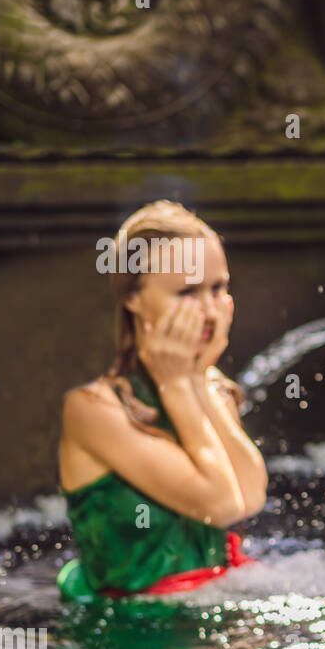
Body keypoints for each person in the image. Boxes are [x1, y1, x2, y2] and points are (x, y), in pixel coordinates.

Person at [56, 200, 267, 604]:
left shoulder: (211, 385)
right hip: (129, 638)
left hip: (213, 613)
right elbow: (221, 505)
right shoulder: (93, 410)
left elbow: (250, 496)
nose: (208, 311)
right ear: (132, 297)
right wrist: (174, 384)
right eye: (187, 292)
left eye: (218, 288)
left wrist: (195, 381)